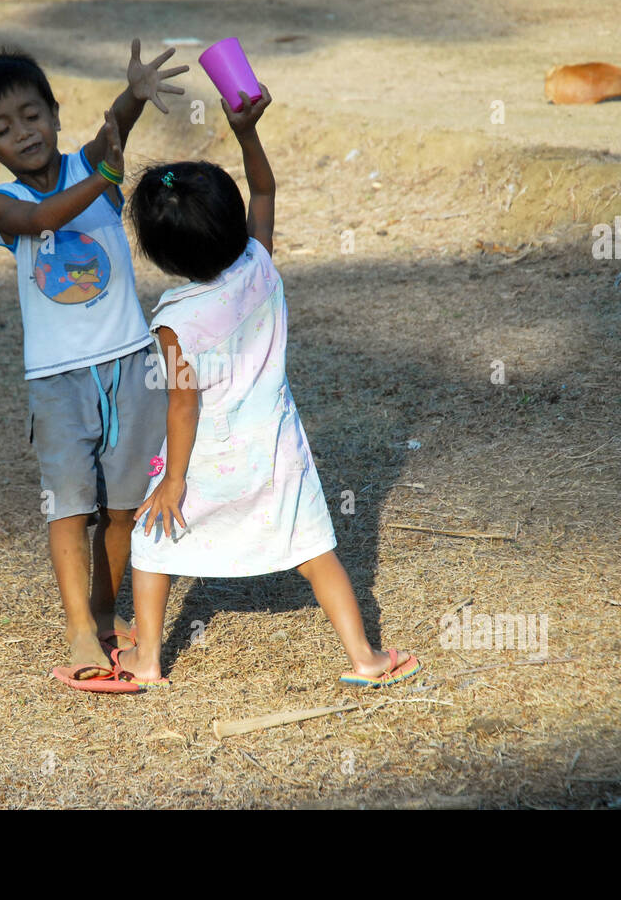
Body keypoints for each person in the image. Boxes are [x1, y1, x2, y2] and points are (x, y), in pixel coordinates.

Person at [113, 84, 420, 690]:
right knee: (313, 549)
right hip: (275, 449)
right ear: (230, 224)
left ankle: (147, 660)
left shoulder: (175, 319)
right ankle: (365, 658)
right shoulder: (260, 264)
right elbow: (265, 190)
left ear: (162, 257)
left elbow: (182, 400)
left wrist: (172, 480)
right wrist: (246, 131)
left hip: (203, 460)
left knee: (153, 545)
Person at [0, 42, 187, 686]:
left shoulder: (91, 166)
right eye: (0, 128)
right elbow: (43, 216)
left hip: (132, 365)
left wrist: (133, 96)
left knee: (125, 508)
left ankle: (108, 617)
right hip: (58, 379)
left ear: (54, 112)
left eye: (32, 115)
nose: (22, 132)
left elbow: (115, 131)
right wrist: (105, 178)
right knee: (68, 507)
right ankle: (80, 632)